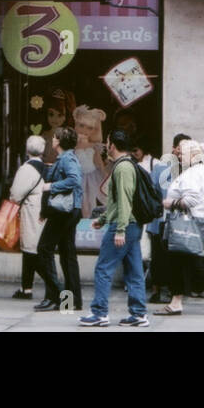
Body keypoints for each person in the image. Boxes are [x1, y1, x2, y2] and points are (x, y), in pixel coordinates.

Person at [79, 129, 150, 327]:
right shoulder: (126, 166)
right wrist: (102, 219)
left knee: (103, 268)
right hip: (131, 225)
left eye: (108, 142)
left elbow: (125, 201)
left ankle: (99, 312)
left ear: (113, 145)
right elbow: (117, 201)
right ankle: (138, 314)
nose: (106, 146)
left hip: (124, 225)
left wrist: (119, 230)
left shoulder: (123, 168)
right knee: (134, 271)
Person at [159, 139, 204, 316]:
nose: (179, 155)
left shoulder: (193, 173)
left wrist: (170, 203)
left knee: (190, 263)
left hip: (185, 226)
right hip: (192, 225)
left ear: (193, 155)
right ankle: (178, 301)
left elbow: (191, 200)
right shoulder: (200, 171)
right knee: (183, 263)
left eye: (182, 153)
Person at [33, 126, 83, 312]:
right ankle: (71, 301)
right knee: (67, 256)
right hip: (70, 211)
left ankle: (57, 294)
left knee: (43, 250)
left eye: (54, 137)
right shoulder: (67, 158)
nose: (52, 139)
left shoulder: (67, 159)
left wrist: (50, 186)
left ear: (59, 141)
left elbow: (74, 180)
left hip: (63, 212)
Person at [7, 135, 48, 300]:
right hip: (44, 214)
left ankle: (54, 286)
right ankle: (26, 288)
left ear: (27, 149)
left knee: (30, 251)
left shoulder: (26, 169)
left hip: (31, 213)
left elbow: (15, 195)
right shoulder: (47, 168)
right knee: (32, 250)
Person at [133, 140, 172, 303]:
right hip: (163, 220)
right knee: (162, 257)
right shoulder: (163, 168)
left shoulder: (159, 167)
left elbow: (151, 191)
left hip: (159, 219)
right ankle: (166, 290)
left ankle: (158, 290)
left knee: (158, 257)